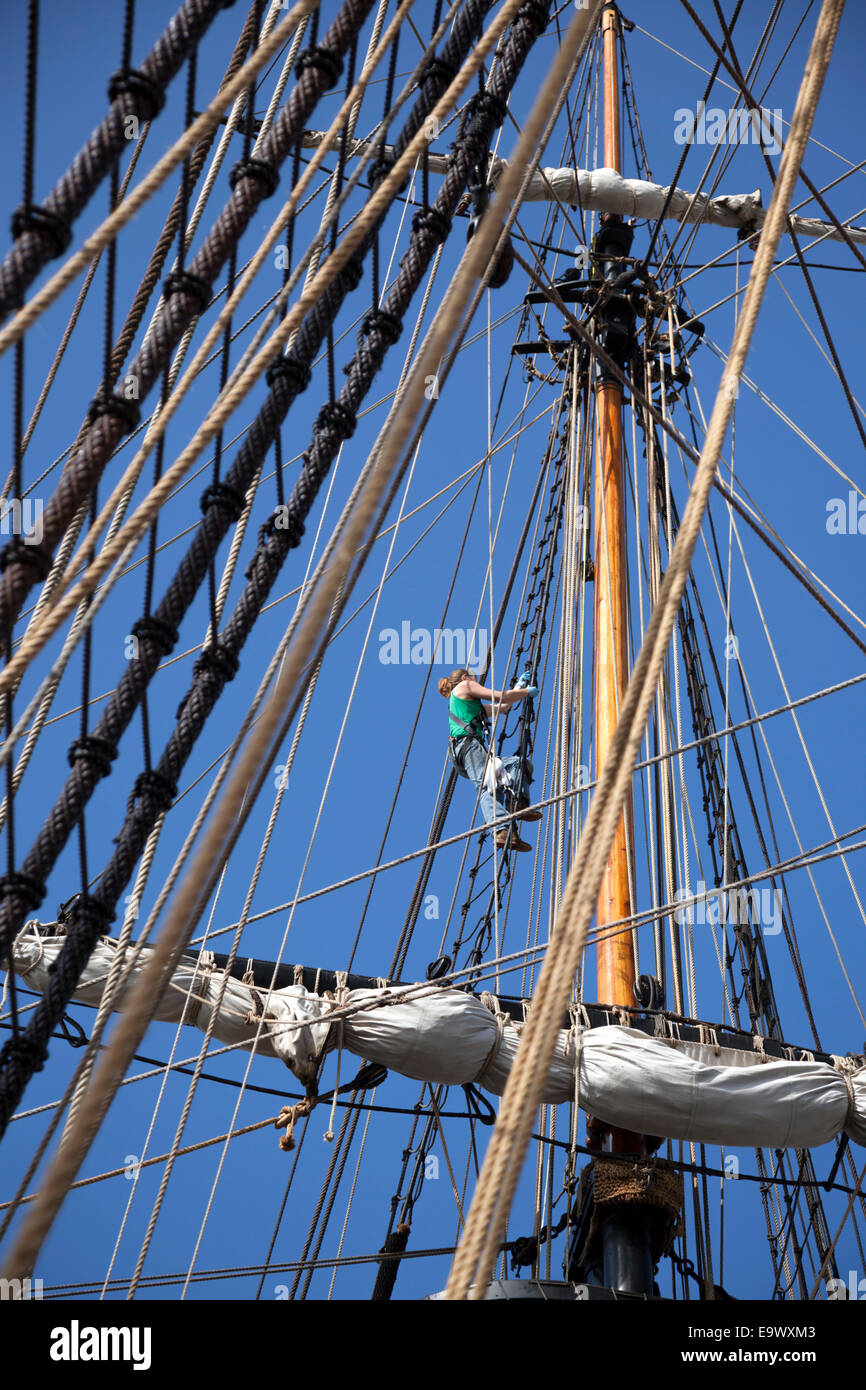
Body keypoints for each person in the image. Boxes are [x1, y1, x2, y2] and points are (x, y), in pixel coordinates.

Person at [437, 667, 540, 852]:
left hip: (470, 750)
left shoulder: (473, 706)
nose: (477, 682)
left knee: (520, 764)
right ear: (465, 677)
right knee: (487, 784)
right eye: (474, 678)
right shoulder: (464, 686)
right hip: (468, 746)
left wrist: (519, 686)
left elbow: (503, 707)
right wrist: (526, 691)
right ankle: (501, 830)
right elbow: (502, 696)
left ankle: (517, 804)